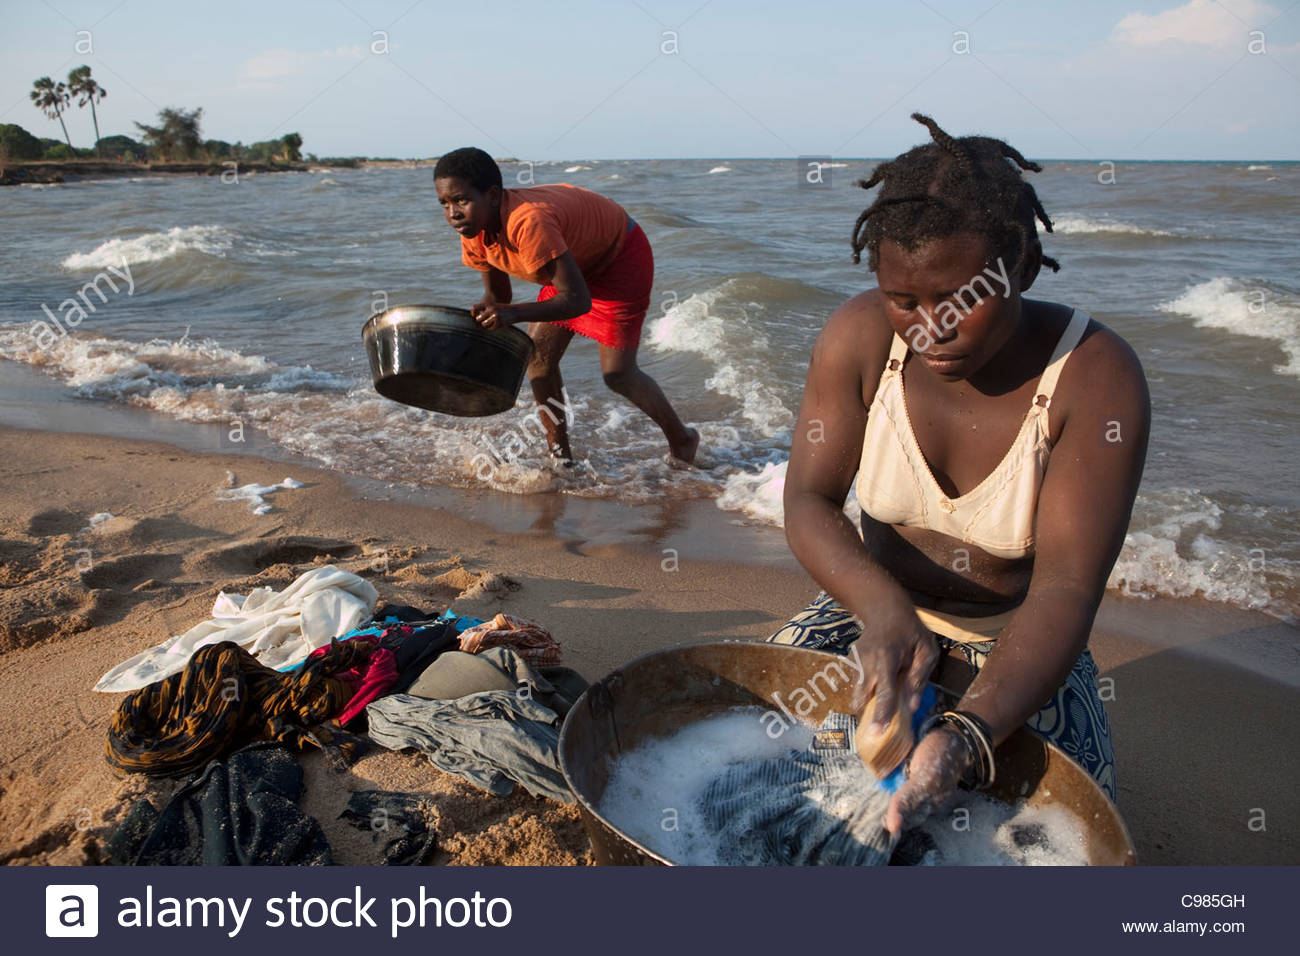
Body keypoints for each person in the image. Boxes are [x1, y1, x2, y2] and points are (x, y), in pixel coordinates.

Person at [771, 114, 1150, 837]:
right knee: (755, 754)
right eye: (904, 300)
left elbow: (1069, 586)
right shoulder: (857, 339)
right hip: (870, 614)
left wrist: (968, 736)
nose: (928, 329)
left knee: (1040, 835)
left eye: (961, 299)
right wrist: (884, 615)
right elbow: (809, 499)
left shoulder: (1094, 376)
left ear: (1020, 269)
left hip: (1017, 642)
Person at [433, 147, 699, 465]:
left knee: (618, 374)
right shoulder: (473, 231)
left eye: (461, 200)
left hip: (619, 256)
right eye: (444, 204)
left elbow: (577, 300)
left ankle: (682, 440)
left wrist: (513, 313)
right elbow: (497, 298)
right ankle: (562, 459)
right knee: (538, 359)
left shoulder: (527, 221)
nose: (453, 213)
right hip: (574, 263)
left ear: (492, 195)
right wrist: (479, 325)